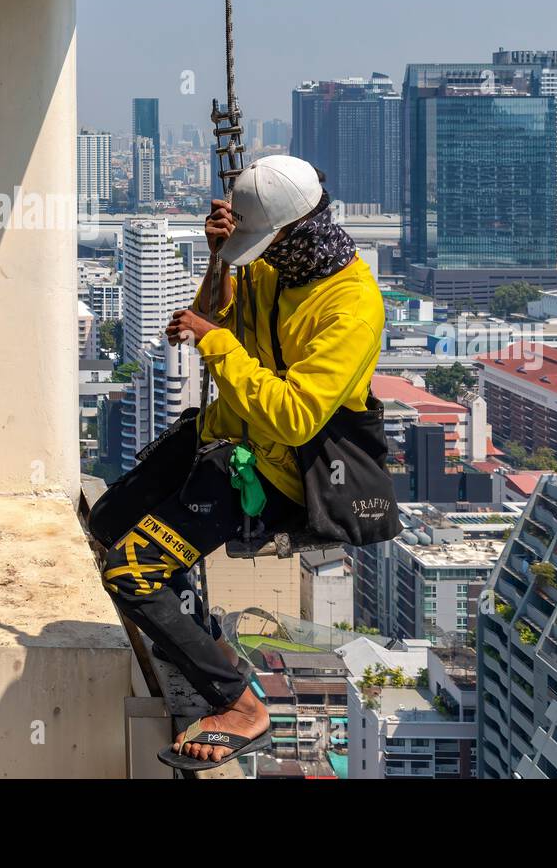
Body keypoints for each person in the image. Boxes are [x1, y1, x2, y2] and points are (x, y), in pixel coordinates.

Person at [88, 155, 384, 771]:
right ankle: (205, 642)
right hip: (224, 434)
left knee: (129, 574)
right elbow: (215, 316)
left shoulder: (350, 307)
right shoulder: (278, 261)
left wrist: (213, 340)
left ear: (294, 232)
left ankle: (240, 703)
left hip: (274, 472)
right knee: (109, 520)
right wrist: (222, 258)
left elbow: (294, 416)